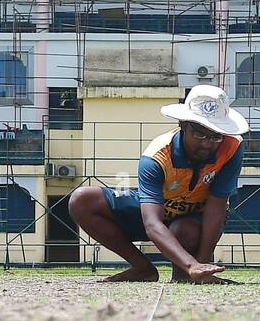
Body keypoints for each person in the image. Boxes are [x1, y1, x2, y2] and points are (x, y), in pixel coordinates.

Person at [69, 84, 248, 283]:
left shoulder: (232, 147)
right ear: (183, 125)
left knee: (183, 233)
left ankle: (186, 273)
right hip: (158, 211)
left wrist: (202, 265)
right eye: (199, 133)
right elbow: (152, 223)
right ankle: (142, 268)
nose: (207, 143)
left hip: (193, 220)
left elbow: (216, 207)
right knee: (82, 200)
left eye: (216, 136)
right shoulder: (156, 157)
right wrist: (192, 265)